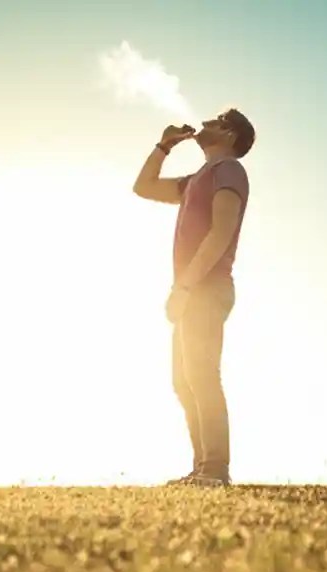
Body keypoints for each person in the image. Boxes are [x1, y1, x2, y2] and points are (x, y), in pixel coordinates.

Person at [132, 108, 256, 487]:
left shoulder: (229, 170)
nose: (205, 123)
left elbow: (220, 233)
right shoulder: (195, 180)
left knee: (201, 375)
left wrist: (185, 287)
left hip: (206, 286)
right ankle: (203, 469)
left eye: (216, 121)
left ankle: (215, 470)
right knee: (183, 380)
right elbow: (144, 187)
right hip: (190, 289)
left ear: (231, 135)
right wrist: (163, 146)